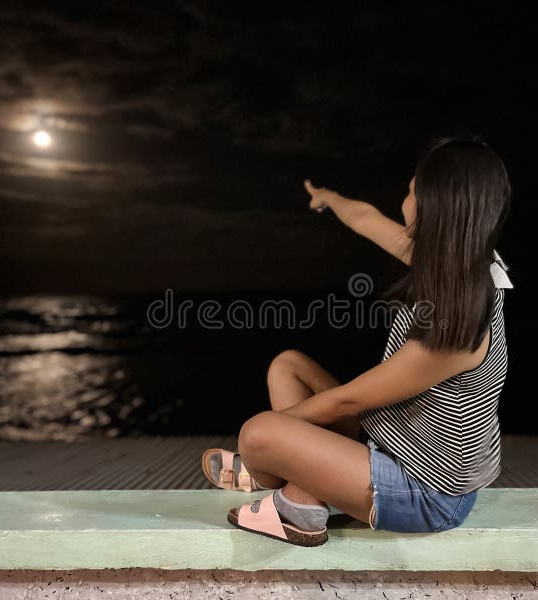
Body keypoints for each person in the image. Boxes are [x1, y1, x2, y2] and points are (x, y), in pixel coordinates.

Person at [201, 135, 513, 546]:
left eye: (412, 187)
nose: (406, 194)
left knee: (258, 433)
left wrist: (272, 441)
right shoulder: (453, 262)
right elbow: (365, 218)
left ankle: (294, 499)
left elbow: (346, 402)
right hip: (393, 442)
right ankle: (296, 481)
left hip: (427, 493)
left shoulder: (457, 326)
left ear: (435, 204)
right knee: (288, 365)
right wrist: (327, 197)